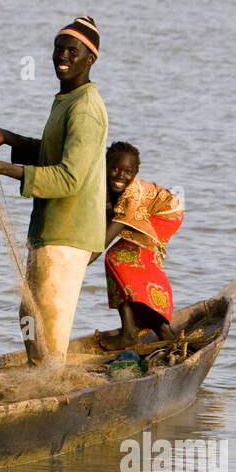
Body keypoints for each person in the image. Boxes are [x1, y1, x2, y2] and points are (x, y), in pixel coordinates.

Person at [0, 16, 109, 364]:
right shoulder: (67, 100)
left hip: (67, 234)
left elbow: (67, 178)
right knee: (29, 318)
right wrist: (9, 138)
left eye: (72, 51)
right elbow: (52, 153)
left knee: (50, 328)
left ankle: (53, 386)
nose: (62, 56)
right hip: (49, 231)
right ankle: (39, 377)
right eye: (58, 49)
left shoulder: (85, 109)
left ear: (90, 59)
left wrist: (2, 168)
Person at [97, 141, 183, 350]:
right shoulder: (101, 183)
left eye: (127, 172)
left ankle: (141, 332)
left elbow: (104, 240)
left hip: (166, 216)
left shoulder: (132, 197)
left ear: (135, 173)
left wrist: (79, 264)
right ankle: (133, 329)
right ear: (105, 166)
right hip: (151, 213)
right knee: (118, 262)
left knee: (119, 256)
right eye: (115, 169)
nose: (119, 176)